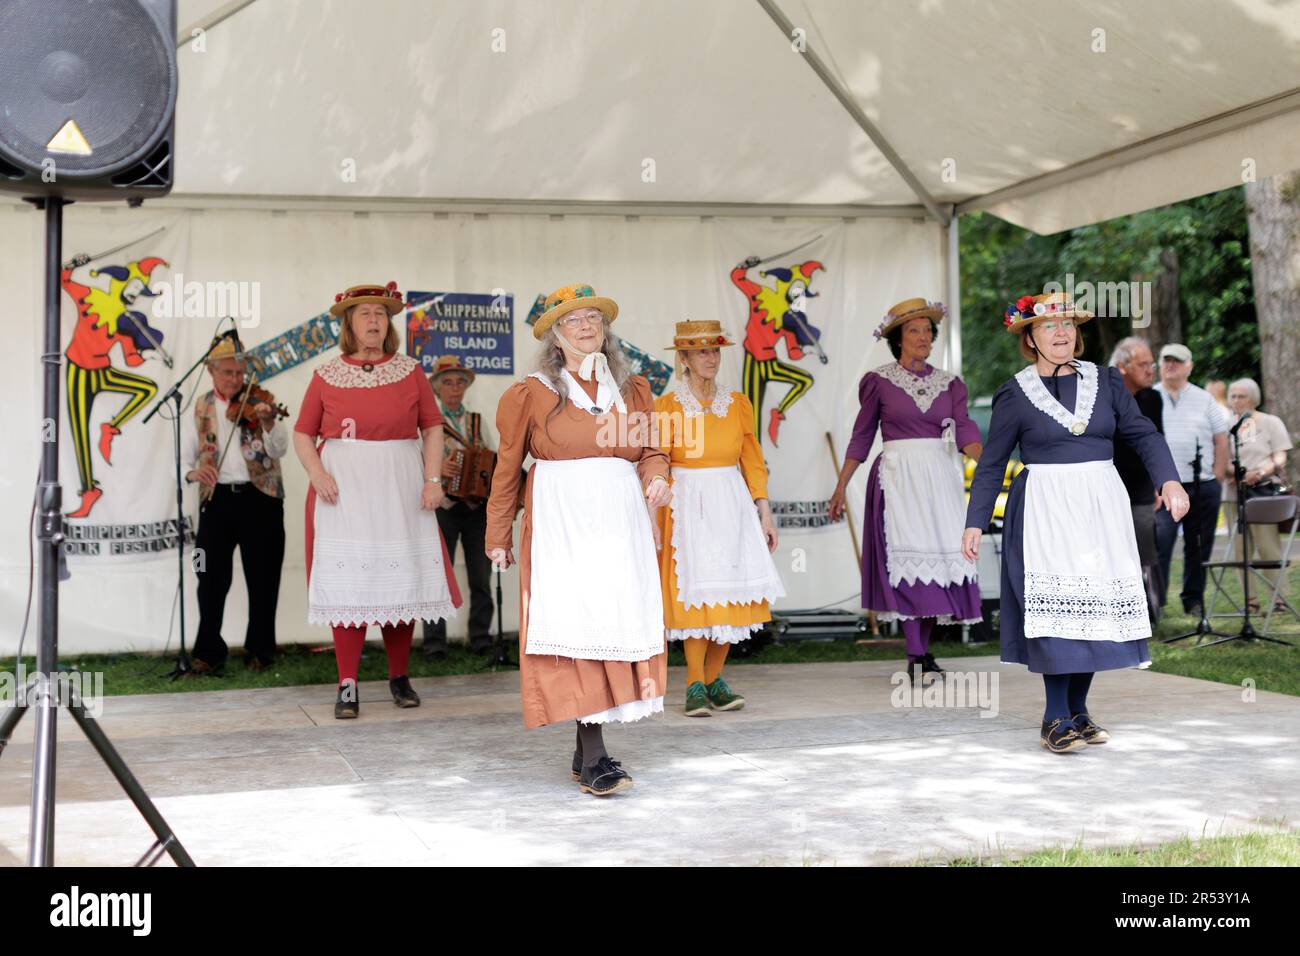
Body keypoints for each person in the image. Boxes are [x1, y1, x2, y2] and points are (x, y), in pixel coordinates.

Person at [963, 292, 1187, 754]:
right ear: (1030, 337)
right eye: (1049, 326)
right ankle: (1053, 717)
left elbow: (1143, 434)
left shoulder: (1106, 382)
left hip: (1100, 503)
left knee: (1094, 606)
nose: (1061, 333)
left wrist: (1169, 480)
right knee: (1057, 608)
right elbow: (991, 465)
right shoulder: (1014, 392)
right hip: (1045, 505)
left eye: (1067, 325)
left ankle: (1079, 712)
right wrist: (974, 521)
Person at [485, 284, 671, 797]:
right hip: (562, 523)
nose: (587, 326)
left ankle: (583, 748)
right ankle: (595, 756)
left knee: (610, 623)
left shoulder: (633, 390)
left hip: (620, 522)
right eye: (574, 320)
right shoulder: (531, 393)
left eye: (594, 317)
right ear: (555, 337)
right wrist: (498, 532)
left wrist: (656, 475)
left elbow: (652, 450)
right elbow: (505, 469)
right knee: (577, 625)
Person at [293, 282, 460, 719]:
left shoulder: (410, 371)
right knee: (350, 585)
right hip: (343, 490)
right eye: (365, 313)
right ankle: (347, 683)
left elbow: (433, 427)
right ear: (349, 323)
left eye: (381, 314)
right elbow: (301, 433)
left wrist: (431, 479)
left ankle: (399, 677)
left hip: (400, 483)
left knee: (398, 578)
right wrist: (317, 473)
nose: (374, 320)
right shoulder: (327, 374)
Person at [829, 298, 983, 683]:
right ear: (897, 338)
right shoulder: (878, 381)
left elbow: (964, 430)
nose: (923, 337)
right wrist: (840, 485)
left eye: (928, 330)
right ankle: (916, 654)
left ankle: (922, 653)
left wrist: (988, 465)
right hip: (898, 478)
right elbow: (862, 436)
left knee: (941, 562)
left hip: (941, 477)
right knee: (909, 563)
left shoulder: (951, 384)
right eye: (914, 330)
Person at [654, 320, 784, 716]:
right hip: (687, 502)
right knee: (697, 593)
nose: (710, 358)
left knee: (731, 588)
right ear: (684, 359)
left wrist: (763, 510)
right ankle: (694, 682)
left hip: (732, 499)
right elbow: (657, 461)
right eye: (700, 352)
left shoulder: (738, 403)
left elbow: (753, 460)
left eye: (715, 351)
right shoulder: (668, 406)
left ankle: (714, 679)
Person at [182, 331, 289, 674]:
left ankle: (260, 651)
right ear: (211, 371)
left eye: (240, 373)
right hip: (217, 501)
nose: (235, 379)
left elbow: (278, 449)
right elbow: (183, 456)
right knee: (209, 579)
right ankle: (208, 652)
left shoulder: (260, 401)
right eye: (228, 372)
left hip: (261, 499)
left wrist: (270, 420)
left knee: (263, 578)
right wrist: (191, 473)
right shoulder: (198, 406)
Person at [421, 355, 497, 658]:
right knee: (438, 575)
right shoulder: (429, 425)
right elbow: (418, 462)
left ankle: (480, 638)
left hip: (476, 508)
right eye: (448, 383)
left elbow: (492, 459)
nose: (455, 388)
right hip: (444, 507)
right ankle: (434, 643)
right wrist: (440, 467)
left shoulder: (477, 421)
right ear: (437, 389)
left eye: (459, 382)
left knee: (481, 576)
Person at [1153, 343, 1229, 617]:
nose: (1171, 365)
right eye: (1166, 360)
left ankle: (1193, 600)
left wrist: (1218, 475)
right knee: (1160, 544)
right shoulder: (1150, 397)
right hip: (1163, 487)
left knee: (1198, 546)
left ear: (1189, 366)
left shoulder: (1204, 398)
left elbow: (1221, 438)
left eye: (1177, 361)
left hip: (1202, 485)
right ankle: (1156, 604)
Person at [1225, 377, 1293, 612]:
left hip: (1263, 492)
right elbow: (1220, 457)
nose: (1236, 400)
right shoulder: (1225, 424)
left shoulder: (1270, 422)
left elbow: (1281, 455)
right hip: (1235, 492)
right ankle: (1250, 601)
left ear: (1253, 398)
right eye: (1232, 396)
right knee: (1240, 549)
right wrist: (1234, 473)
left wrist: (1261, 471)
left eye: (1241, 396)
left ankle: (1279, 599)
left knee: (1268, 547)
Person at [1108, 336, 1164, 623]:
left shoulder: (1152, 398)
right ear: (1122, 367)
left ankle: (1150, 613)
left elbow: (1156, 441)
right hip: (1106, 490)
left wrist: (1161, 482)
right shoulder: (1102, 398)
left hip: (1141, 490)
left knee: (1145, 550)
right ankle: (1115, 612)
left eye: (1150, 364)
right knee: (1111, 552)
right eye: (1143, 364)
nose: (1150, 370)